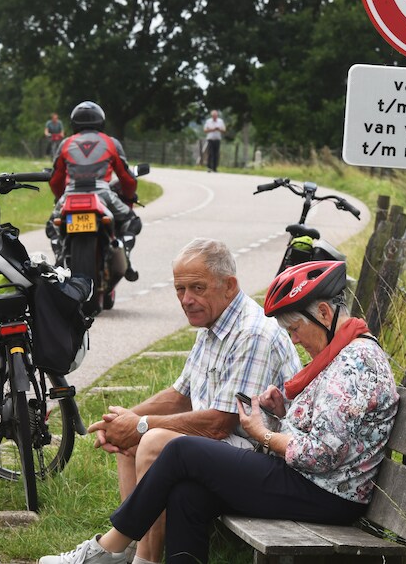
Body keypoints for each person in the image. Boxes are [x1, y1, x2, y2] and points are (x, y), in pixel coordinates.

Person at [40, 260, 400, 564]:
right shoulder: (341, 353)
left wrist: (263, 433)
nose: (295, 339)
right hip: (310, 481)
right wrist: (279, 411)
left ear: (323, 313)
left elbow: (322, 454)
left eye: (295, 329)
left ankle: (108, 549)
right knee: (187, 494)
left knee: (182, 450)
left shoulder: (357, 363)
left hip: (327, 494)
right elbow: (323, 429)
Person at [84, 238, 302, 564]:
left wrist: (140, 425)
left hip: (263, 460)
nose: (187, 300)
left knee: (153, 439)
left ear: (229, 286)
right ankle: (128, 550)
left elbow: (219, 424)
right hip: (229, 448)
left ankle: (144, 558)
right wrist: (122, 420)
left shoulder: (252, 332)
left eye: (197, 288)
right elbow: (179, 395)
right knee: (131, 438)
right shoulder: (213, 322)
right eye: (180, 290)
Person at [47, 101, 143, 279]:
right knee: (132, 221)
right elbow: (126, 178)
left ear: (73, 123)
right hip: (102, 193)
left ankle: (60, 258)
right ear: (101, 121)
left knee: (52, 226)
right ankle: (126, 258)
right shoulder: (111, 142)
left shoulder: (65, 143)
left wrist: (60, 198)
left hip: (71, 193)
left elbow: (55, 179)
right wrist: (128, 198)